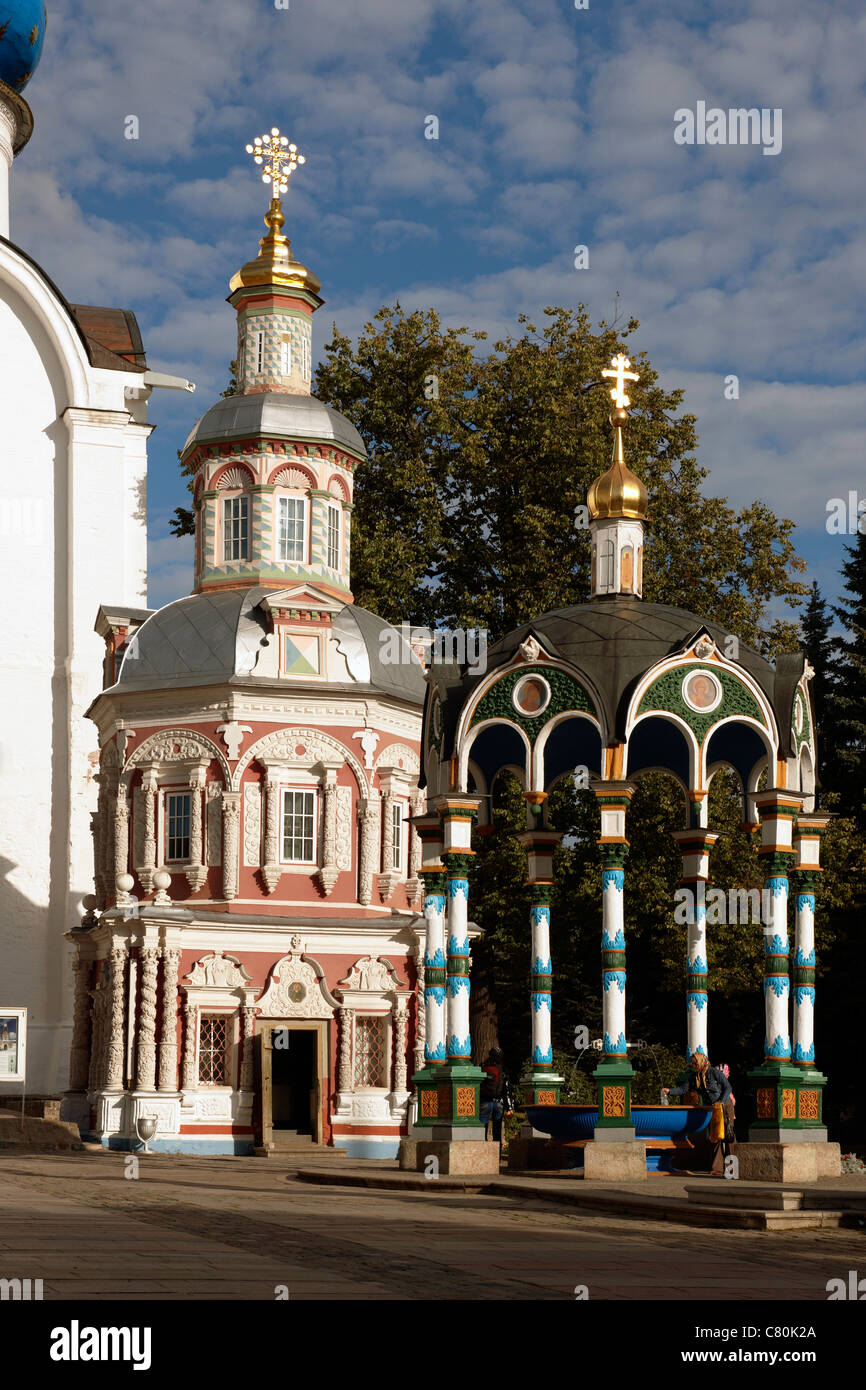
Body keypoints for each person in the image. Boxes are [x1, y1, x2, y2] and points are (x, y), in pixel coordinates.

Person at [664, 1052, 736, 1174]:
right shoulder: (695, 1078)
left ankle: (732, 1168)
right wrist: (669, 1091)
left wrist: (720, 1102)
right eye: (692, 1063)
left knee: (728, 1136)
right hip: (711, 1108)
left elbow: (727, 1087)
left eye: (695, 1062)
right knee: (714, 1135)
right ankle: (717, 1168)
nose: (693, 1065)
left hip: (724, 1106)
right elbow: (683, 1089)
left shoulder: (714, 1072)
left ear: (701, 1061)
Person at [479, 1046, 512, 1143]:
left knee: (482, 1129)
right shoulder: (503, 1069)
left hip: (484, 1101)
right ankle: (497, 1154)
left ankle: (482, 1152)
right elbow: (507, 1089)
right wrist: (509, 1107)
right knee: (497, 1130)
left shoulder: (482, 1066)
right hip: (499, 1103)